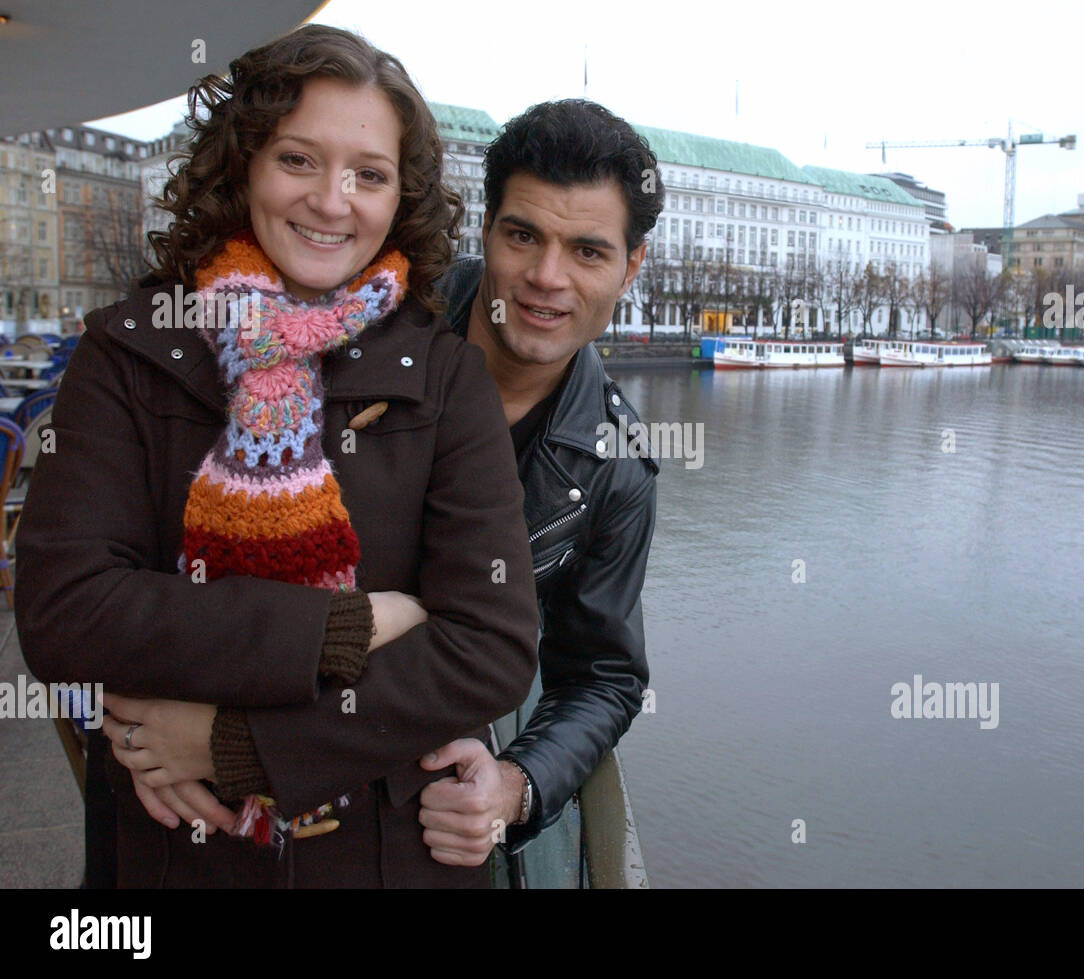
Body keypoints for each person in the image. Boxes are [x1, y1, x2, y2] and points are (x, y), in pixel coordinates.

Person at [14, 24, 537, 888]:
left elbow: (491, 643)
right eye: (299, 159)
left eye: (369, 174)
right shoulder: (131, 351)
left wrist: (235, 744)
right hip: (179, 862)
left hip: (389, 858)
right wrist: (347, 627)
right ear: (245, 165)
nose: (334, 201)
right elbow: (64, 609)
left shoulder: (445, 376)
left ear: (398, 197)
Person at [413, 100, 662, 879]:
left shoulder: (615, 465)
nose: (546, 278)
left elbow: (604, 675)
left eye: (587, 250)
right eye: (523, 235)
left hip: (437, 783)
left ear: (631, 266)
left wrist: (516, 784)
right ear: (486, 229)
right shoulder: (381, 326)